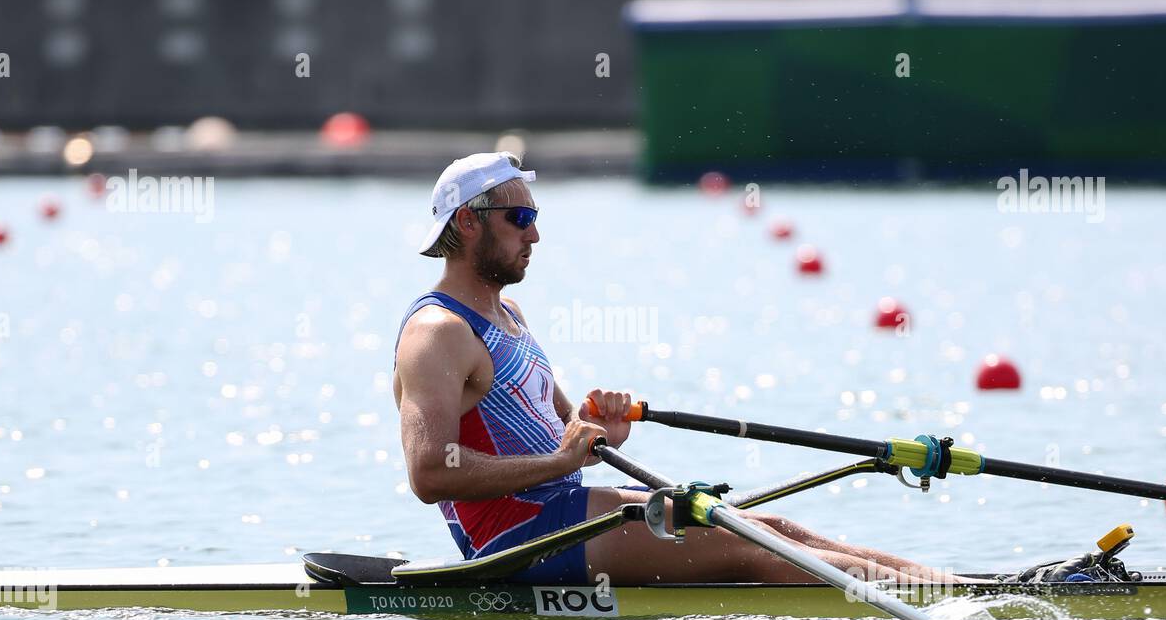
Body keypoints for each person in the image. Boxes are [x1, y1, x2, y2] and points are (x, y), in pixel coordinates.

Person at [393, 152, 968, 586]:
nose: (535, 233)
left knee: (768, 528)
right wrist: (560, 460)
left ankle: (953, 587)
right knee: (751, 549)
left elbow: (564, 427)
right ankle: (929, 597)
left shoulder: (507, 312)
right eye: (519, 217)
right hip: (514, 540)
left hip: (561, 512)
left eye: (535, 216)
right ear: (469, 223)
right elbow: (429, 473)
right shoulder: (438, 334)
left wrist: (600, 429)